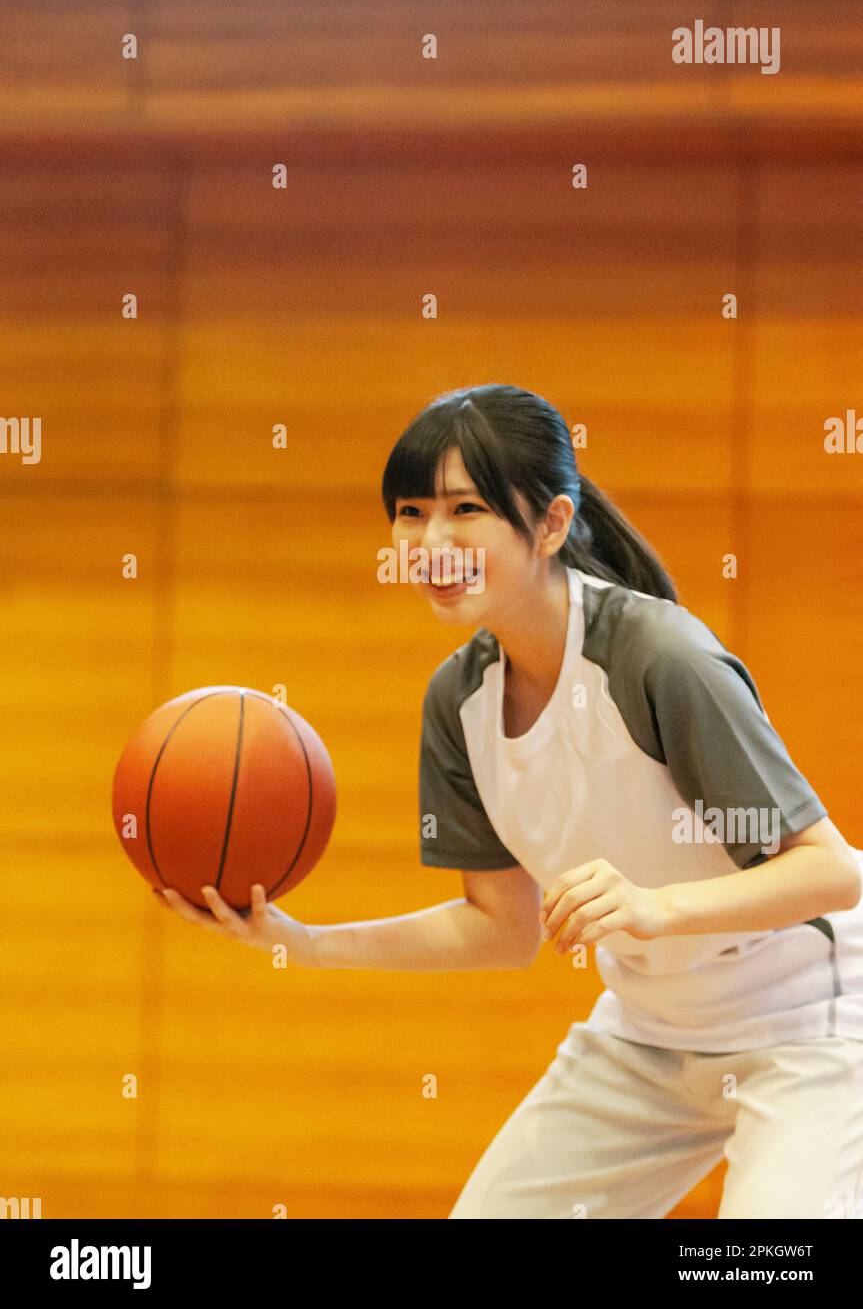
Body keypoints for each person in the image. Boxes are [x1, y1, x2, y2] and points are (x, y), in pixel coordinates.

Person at [157, 383, 863, 1220]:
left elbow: (830, 872)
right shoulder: (457, 701)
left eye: (466, 509)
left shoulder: (659, 658)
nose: (430, 541)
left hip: (809, 1025)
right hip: (649, 1035)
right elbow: (500, 926)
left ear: (552, 525)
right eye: (410, 511)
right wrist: (301, 943)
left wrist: (652, 906)